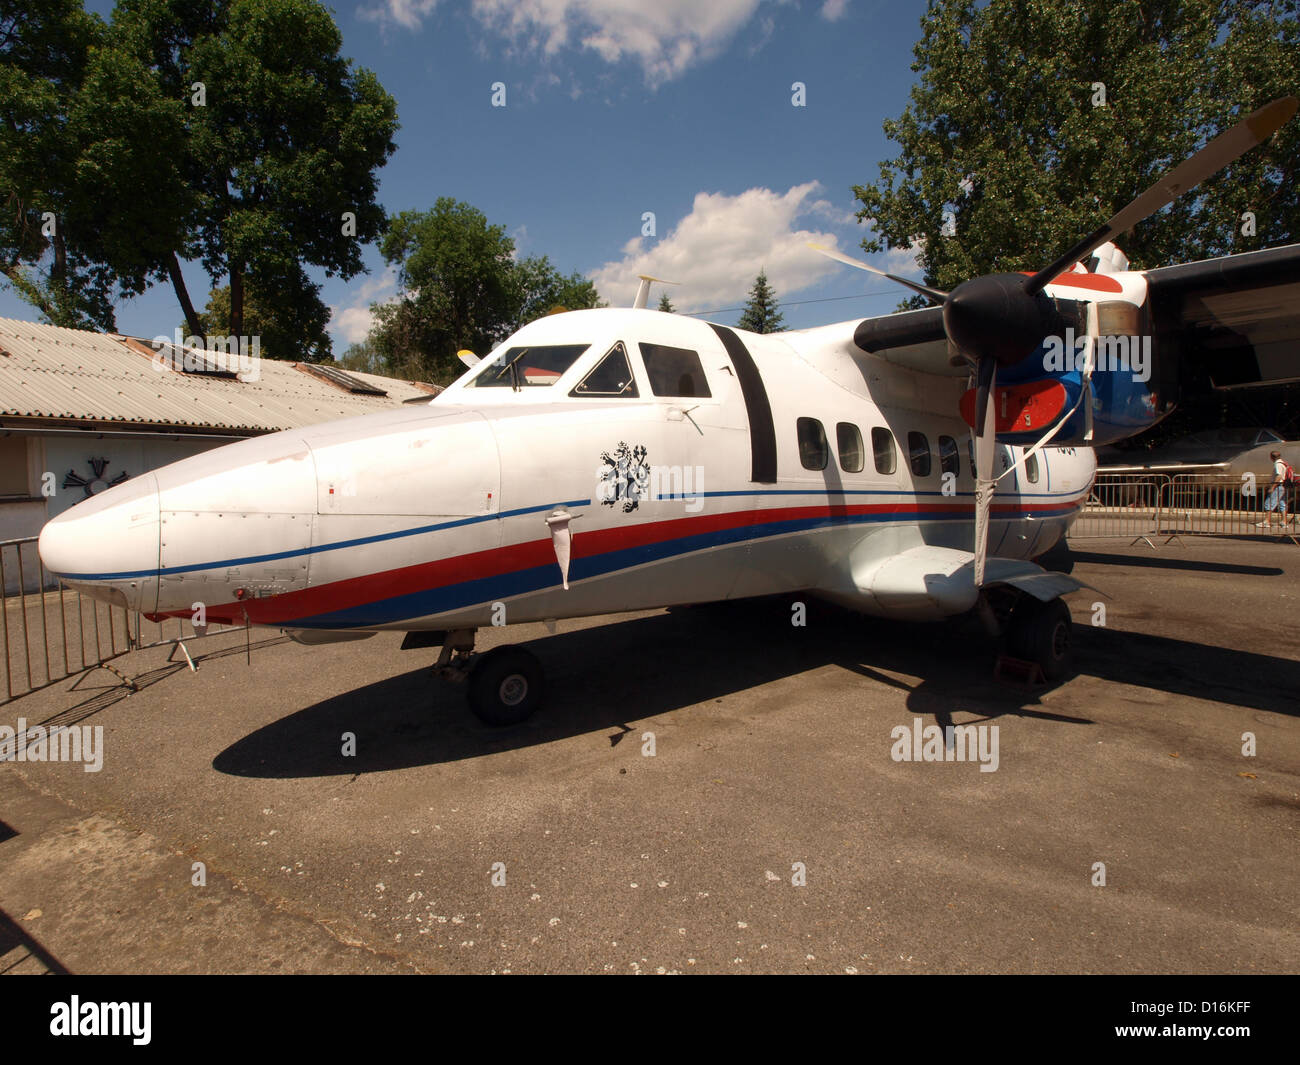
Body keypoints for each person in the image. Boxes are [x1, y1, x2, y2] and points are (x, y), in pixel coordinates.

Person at [1256, 450, 1293, 528]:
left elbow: (1279, 476)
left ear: (1271, 457)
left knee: (1269, 503)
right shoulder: (1284, 463)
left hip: (1278, 486)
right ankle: (1284, 522)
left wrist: (1273, 487)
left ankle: (1266, 522)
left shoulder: (1278, 464)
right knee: (1283, 504)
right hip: (1284, 486)